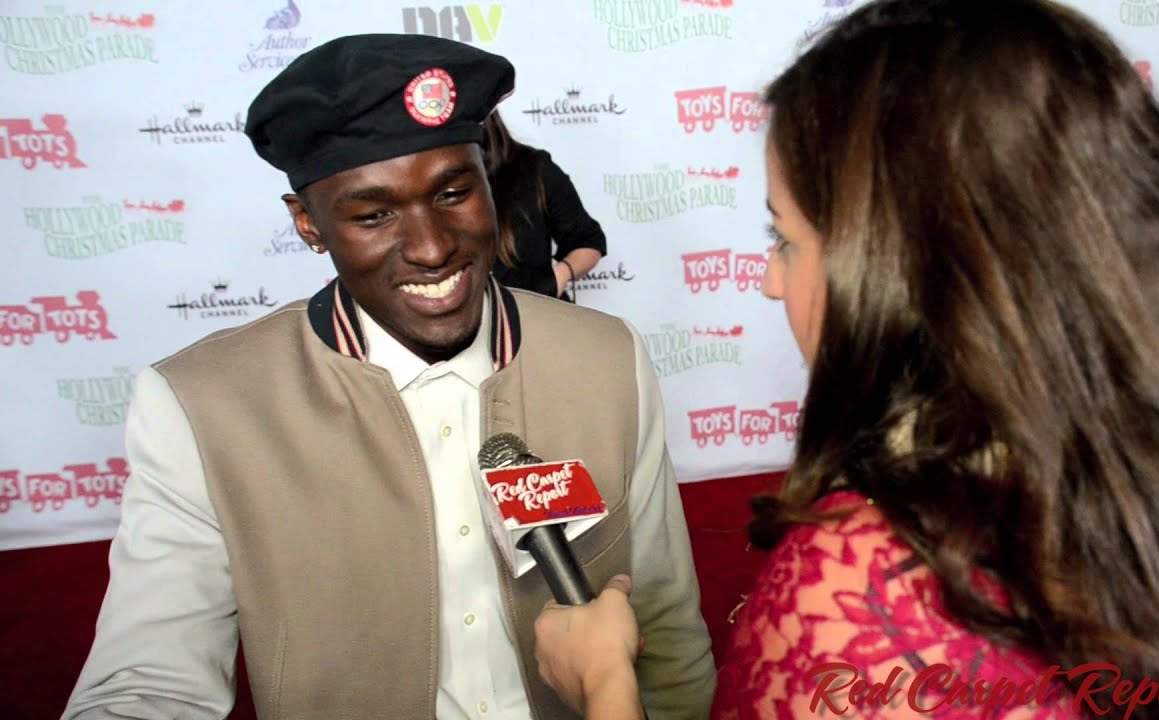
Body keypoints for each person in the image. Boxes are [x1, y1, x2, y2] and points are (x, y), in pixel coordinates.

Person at [533, 1, 1159, 719]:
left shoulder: (862, 590)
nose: (766, 279)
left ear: (909, 271)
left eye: (786, 239)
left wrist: (605, 685)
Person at [63, 34, 715, 720]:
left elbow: (666, 633)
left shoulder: (607, 357)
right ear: (308, 223)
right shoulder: (200, 406)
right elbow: (148, 687)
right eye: (373, 214)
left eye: (455, 192)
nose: (433, 248)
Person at [483, 110, 606, 301]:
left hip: (536, 318)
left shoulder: (534, 168)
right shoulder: (428, 180)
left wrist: (558, 278)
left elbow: (588, 242)